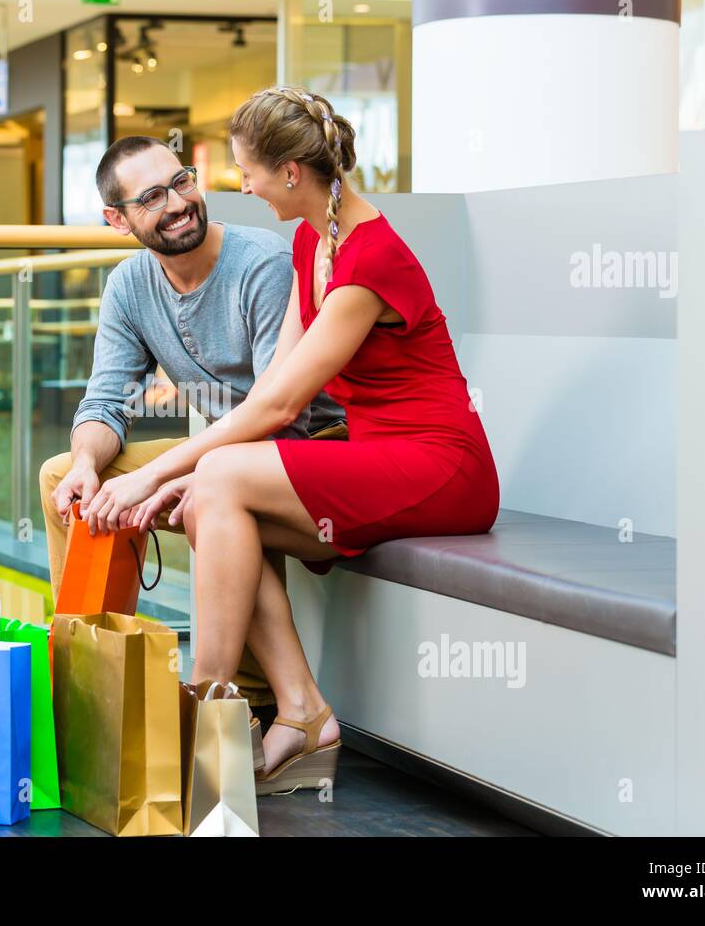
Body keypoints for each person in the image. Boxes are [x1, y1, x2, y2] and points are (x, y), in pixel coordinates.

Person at [85, 88, 500, 795]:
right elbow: (273, 380)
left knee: (213, 483)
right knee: (215, 501)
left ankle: (203, 716)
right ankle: (302, 712)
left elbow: (279, 404)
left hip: (441, 466)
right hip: (377, 455)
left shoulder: (372, 259)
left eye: (246, 171)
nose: (238, 187)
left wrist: (150, 477)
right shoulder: (314, 241)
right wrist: (179, 480)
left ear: (289, 174)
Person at [38, 135, 347, 703]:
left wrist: (173, 475)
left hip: (315, 447)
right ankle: (94, 693)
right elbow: (107, 401)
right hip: (227, 450)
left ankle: (245, 698)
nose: (179, 202)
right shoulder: (129, 287)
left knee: (217, 486)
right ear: (118, 218)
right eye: (153, 196)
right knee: (64, 478)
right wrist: (88, 461)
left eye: (182, 181)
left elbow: (284, 417)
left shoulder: (263, 265)